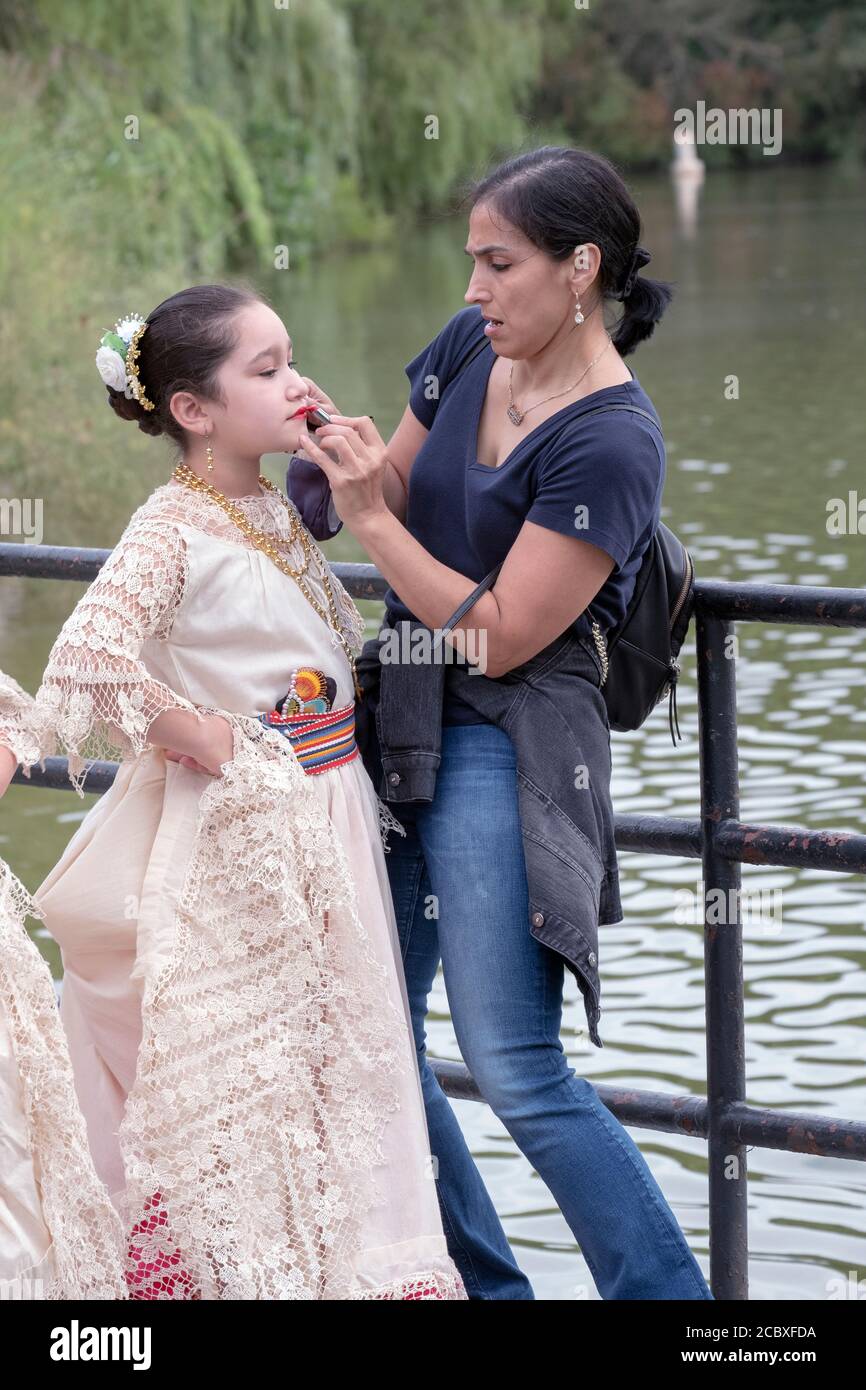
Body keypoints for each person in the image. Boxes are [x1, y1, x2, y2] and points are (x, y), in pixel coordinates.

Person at [292, 145, 714, 1300]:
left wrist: (372, 519)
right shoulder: (469, 347)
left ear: (579, 269)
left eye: (497, 262)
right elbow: (383, 485)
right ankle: (483, 1285)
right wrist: (308, 444)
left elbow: (500, 635)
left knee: (514, 1064)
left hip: (510, 737)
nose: (473, 288)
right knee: (363, 1026)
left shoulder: (612, 438)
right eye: (469, 261)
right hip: (406, 713)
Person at [0, 284, 468, 1301]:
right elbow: (92, 656)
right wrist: (195, 732)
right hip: (249, 834)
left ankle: (349, 1267)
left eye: (290, 356)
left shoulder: (272, 505)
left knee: (337, 1060)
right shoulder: (172, 527)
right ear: (191, 410)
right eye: (265, 369)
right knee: (256, 1074)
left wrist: (329, 463)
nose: (295, 380)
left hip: (329, 811)